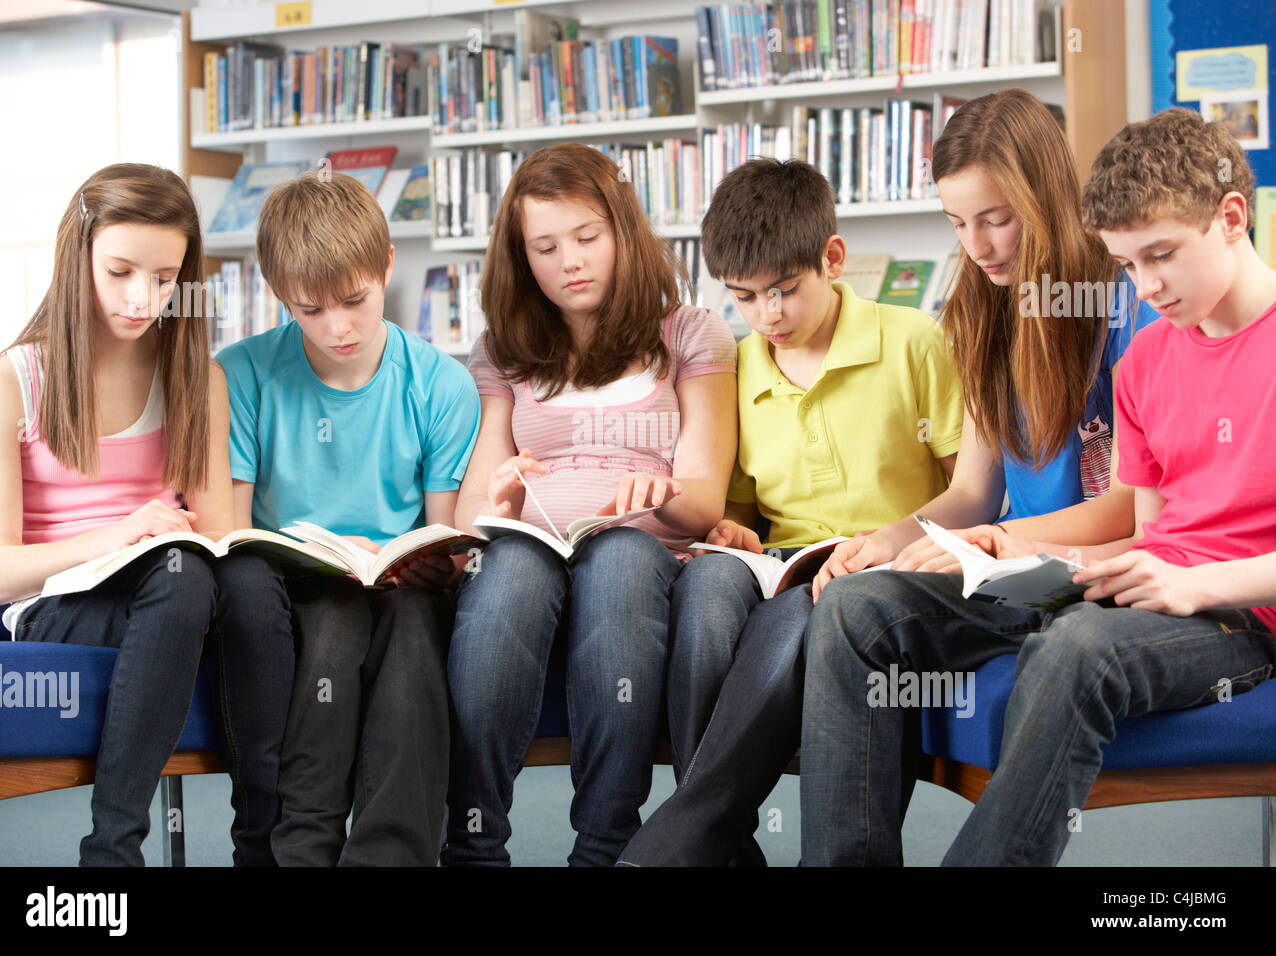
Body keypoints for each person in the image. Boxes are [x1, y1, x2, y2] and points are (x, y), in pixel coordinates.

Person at [799, 88, 1162, 865]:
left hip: (1090, 574)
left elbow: (1129, 509)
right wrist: (885, 539)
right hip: (1013, 576)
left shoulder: (1130, 302)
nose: (979, 246)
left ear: (1045, 194)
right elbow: (971, 490)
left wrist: (999, 541)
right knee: (857, 605)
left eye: (995, 217)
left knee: (1065, 634)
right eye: (958, 224)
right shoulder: (981, 309)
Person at [616, 158, 963, 866]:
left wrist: (894, 543)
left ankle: (684, 834)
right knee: (709, 584)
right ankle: (713, 837)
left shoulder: (913, 342)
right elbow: (740, 510)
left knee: (823, 606)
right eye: (745, 297)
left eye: (784, 290)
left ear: (833, 259)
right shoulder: (741, 367)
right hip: (784, 566)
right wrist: (731, 528)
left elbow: (973, 494)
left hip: (889, 573)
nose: (768, 314)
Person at [0, 163, 294, 866]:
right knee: (180, 574)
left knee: (244, 578)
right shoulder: (7, 383)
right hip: (57, 602)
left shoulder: (194, 376)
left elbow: (216, 536)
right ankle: (111, 857)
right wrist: (119, 535)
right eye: (120, 271)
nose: (143, 297)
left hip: (171, 587)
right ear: (78, 255)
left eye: (164, 277)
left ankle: (262, 849)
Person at [442, 143, 737, 866]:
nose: (569, 261)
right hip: (532, 543)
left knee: (620, 561)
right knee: (505, 571)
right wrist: (499, 499)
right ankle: (475, 847)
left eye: (587, 238)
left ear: (622, 234)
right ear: (520, 257)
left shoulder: (689, 334)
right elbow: (466, 515)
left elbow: (703, 500)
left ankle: (604, 849)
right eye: (544, 247)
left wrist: (662, 499)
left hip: (641, 546)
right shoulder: (500, 353)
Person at [217, 169, 481, 866]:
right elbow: (230, 530)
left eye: (355, 301)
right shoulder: (241, 375)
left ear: (387, 263)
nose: (337, 328)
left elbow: (444, 533)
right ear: (280, 297)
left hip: (402, 592)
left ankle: (391, 857)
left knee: (415, 620)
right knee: (335, 619)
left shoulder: (442, 385)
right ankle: (303, 849)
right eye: (308, 310)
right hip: (291, 589)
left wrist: (425, 561)